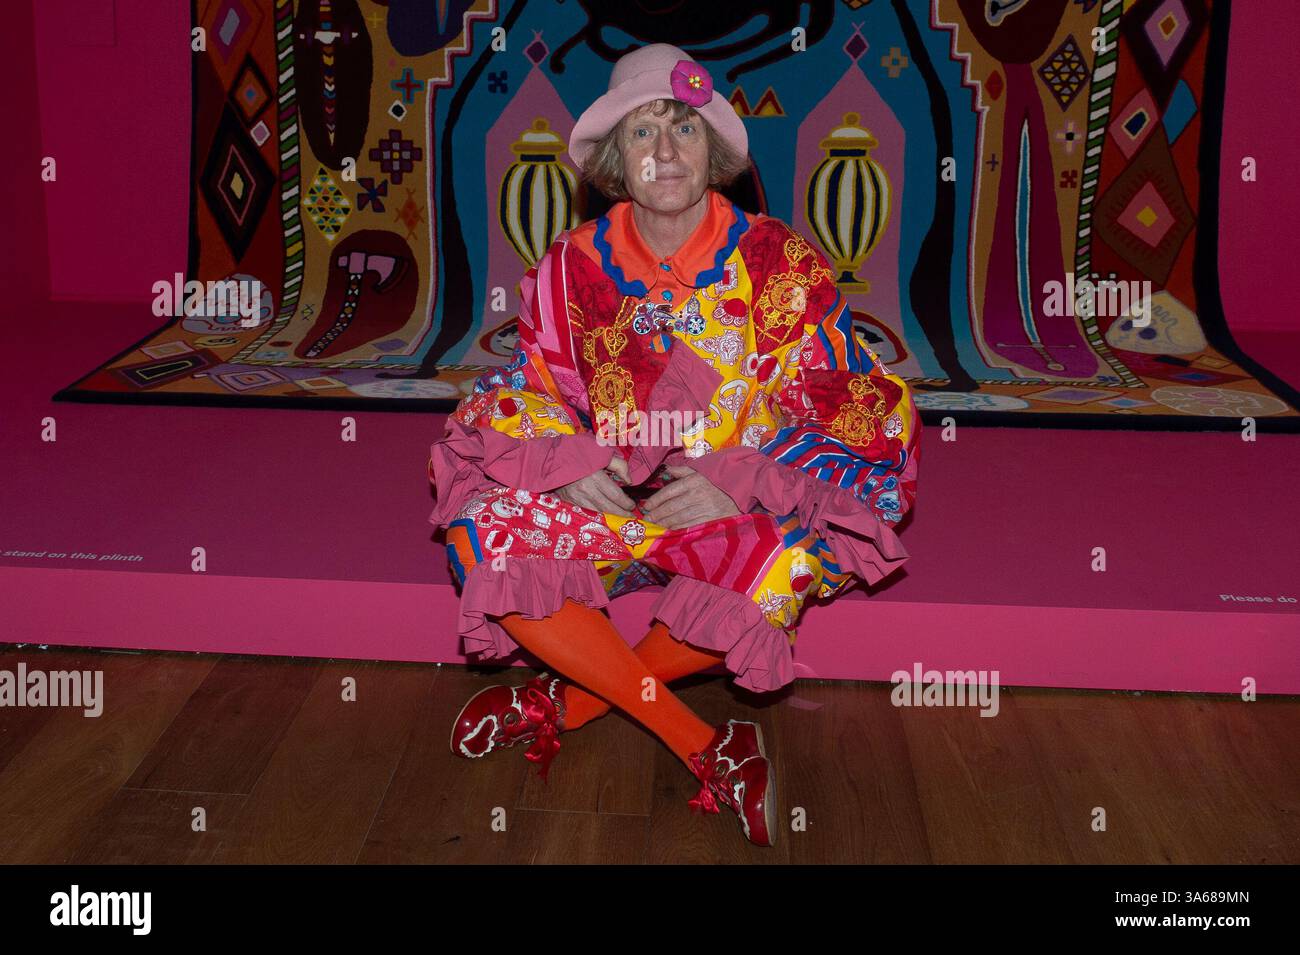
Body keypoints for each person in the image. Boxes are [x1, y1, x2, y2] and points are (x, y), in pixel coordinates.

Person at [427, 43, 921, 847]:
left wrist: (741, 478)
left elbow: (855, 400)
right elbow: (527, 384)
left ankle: (569, 701)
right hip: (614, 507)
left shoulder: (777, 261)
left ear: (714, 149)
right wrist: (567, 462)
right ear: (617, 158)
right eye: (644, 131)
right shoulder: (568, 266)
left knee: (785, 565)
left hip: (725, 508)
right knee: (481, 527)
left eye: (684, 128)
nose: (665, 151)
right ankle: (705, 744)